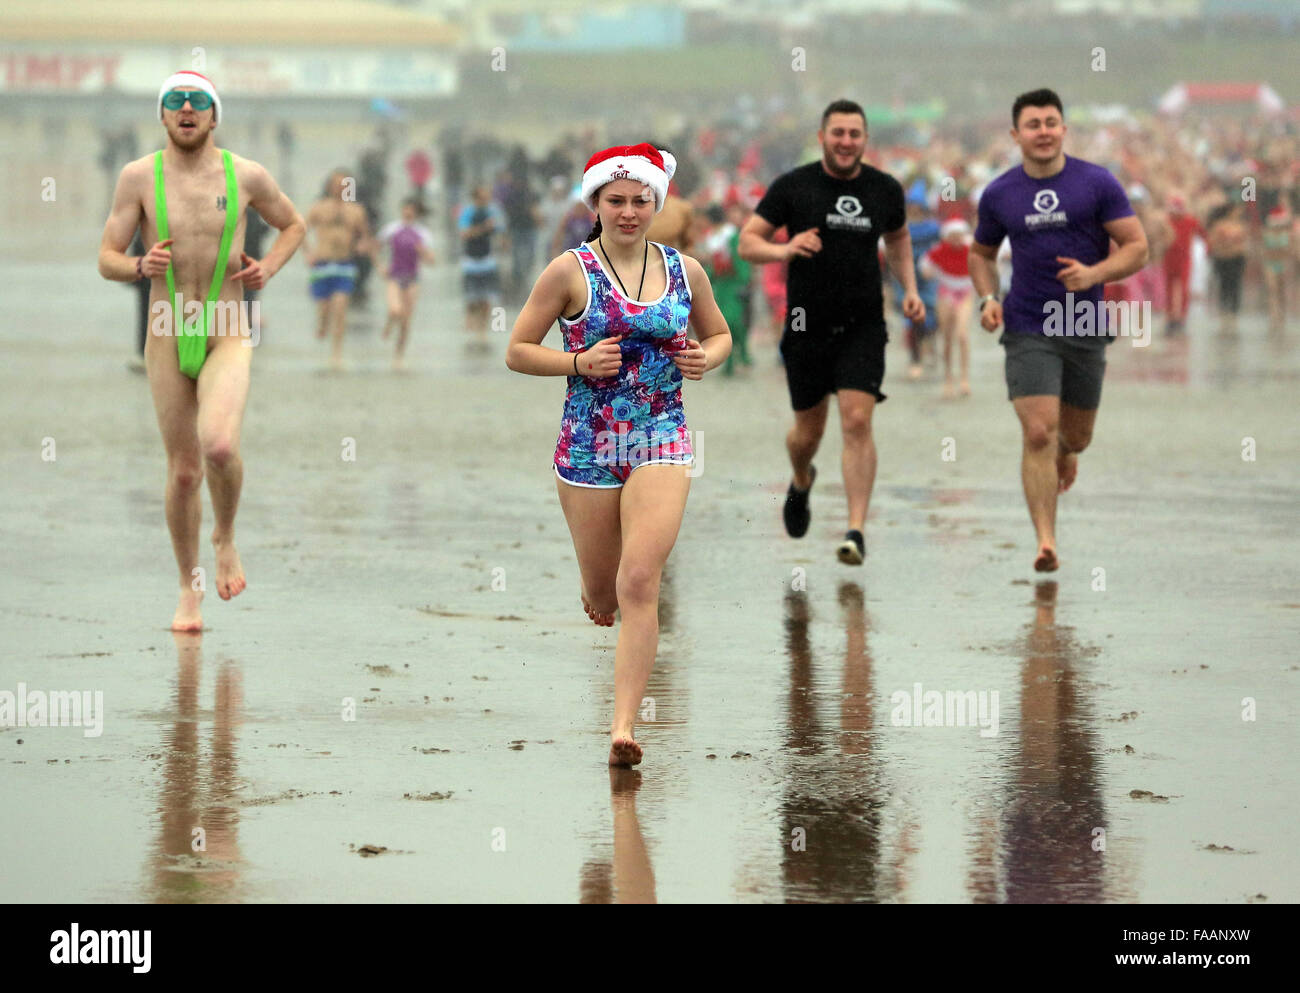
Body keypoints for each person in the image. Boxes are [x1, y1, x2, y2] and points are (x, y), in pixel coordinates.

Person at [505, 143, 731, 766]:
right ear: (596, 205)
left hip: (662, 436)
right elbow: (518, 349)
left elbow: (719, 334)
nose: (629, 212)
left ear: (656, 203)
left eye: (641, 201)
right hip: (589, 444)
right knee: (607, 594)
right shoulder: (567, 271)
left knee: (641, 580)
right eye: (617, 201)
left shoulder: (686, 269)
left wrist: (703, 359)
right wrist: (577, 361)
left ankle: (624, 726)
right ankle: (593, 589)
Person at [97, 71, 305, 630]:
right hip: (166, 331)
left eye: (197, 102)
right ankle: (189, 592)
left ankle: (226, 536)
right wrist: (139, 266)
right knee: (184, 472)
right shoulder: (138, 177)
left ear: (215, 115)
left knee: (217, 447)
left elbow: (292, 224)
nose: (186, 109)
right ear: (162, 115)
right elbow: (106, 256)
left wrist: (270, 267)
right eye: (174, 101)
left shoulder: (246, 175)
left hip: (227, 326)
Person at [739, 98, 925, 566]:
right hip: (805, 326)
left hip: (864, 324)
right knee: (807, 433)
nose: (846, 141)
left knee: (858, 421)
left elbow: (899, 239)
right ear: (822, 137)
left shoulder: (884, 189)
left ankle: (855, 530)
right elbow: (747, 242)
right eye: (837, 133)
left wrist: (910, 288)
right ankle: (801, 479)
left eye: (854, 134)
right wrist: (787, 249)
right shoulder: (793, 186)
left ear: (865, 140)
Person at [969, 88, 1148, 573]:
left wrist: (1094, 274)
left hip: (1084, 321)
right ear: (1016, 134)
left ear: (1064, 129)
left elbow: (1137, 247)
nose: (1043, 131)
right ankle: (1046, 541)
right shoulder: (1001, 193)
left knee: (1077, 437)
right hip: (1028, 323)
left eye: (1051, 122)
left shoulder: (1096, 183)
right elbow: (981, 255)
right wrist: (988, 299)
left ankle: (1068, 453)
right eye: (1033, 124)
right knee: (1037, 430)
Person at [305, 169, 369, 370]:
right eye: (336, 184)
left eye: (344, 185)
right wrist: (308, 253)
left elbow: (365, 234)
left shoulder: (356, 210)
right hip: (322, 263)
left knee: (340, 308)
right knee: (325, 309)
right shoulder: (318, 208)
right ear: (329, 186)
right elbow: (299, 230)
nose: (340, 188)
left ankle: (336, 354)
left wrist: (362, 245)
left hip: (344, 264)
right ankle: (322, 324)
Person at [374, 198, 436, 370]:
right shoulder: (392, 229)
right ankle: (389, 322)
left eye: (411, 210)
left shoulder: (423, 233)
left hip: (413, 279)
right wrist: (380, 267)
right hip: (394, 276)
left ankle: (398, 355)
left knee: (406, 321)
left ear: (416, 213)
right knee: (395, 309)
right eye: (405, 209)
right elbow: (374, 248)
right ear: (402, 210)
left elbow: (432, 260)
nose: (408, 213)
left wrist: (422, 252)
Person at [922, 218, 974, 397]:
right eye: (953, 236)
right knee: (947, 337)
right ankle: (948, 378)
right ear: (946, 237)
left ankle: (964, 378)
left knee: (962, 334)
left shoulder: (971, 249)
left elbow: (985, 261)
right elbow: (924, 265)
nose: (957, 239)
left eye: (960, 235)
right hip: (945, 291)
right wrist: (929, 273)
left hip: (965, 291)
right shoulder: (939, 250)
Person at [459, 185, 505, 353]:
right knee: (472, 299)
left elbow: (500, 231)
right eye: (482, 197)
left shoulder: (493, 211)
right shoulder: (468, 213)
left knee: (486, 298)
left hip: (488, 260)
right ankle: (472, 327)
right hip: (470, 260)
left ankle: (482, 331)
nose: (486, 200)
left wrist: (502, 242)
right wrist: (484, 228)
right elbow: (464, 233)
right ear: (476, 198)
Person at [1205, 202, 1249, 336]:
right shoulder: (1219, 225)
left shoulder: (1240, 226)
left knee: (1236, 286)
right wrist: (1223, 246)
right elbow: (1212, 241)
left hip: (1237, 258)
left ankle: (1233, 313)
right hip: (1223, 258)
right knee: (1224, 285)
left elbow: (1244, 243)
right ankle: (1224, 312)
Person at [1261, 205, 1291, 332]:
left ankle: (1282, 312)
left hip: (1283, 264)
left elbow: (1291, 251)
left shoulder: (1287, 235)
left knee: (1281, 291)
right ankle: (1273, 314)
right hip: (1270, 264)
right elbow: (1263, 251)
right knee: (1272, 290)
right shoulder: (1266, 234)